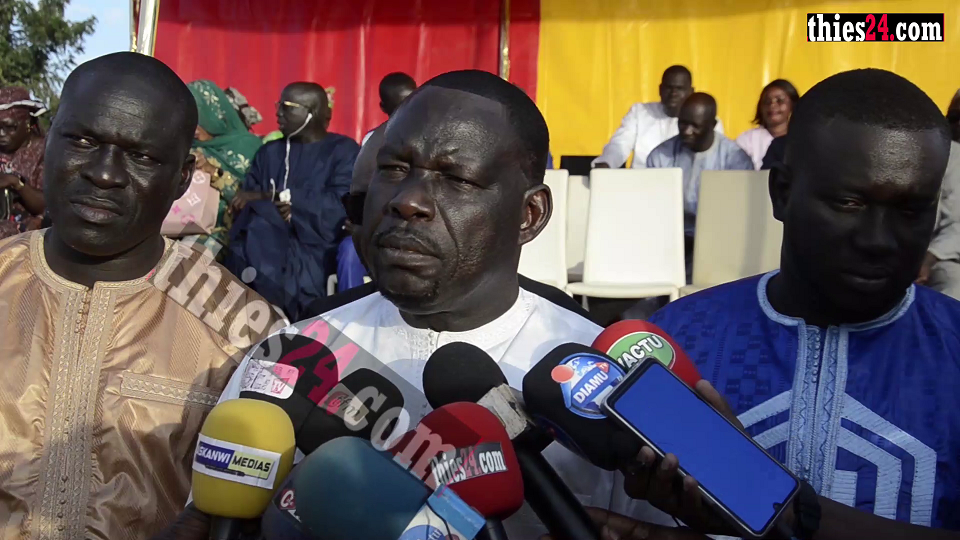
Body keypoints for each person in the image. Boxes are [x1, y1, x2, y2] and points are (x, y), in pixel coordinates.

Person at [167, 69, 671, 539]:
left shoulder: (597, 379)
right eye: (395, 167)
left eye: (456, 179)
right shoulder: (292, 357)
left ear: (529, 215)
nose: (407, 199)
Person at [645, 69, 960, 534]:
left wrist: (783, 511)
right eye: (850, 203)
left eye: (911, 211)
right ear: (782, 193)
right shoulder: (673, 344)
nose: (879, 240)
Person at [0, 52, 285, 539]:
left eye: (142, 157)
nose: (105, 174)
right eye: (84, 141)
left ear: (181, 177)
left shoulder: (246, 331)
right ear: (48, 146)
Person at [225, 82, 359, 321]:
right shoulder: (270, 153)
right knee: (255, 228)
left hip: (317, 245)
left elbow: (339, 205)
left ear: (312, 113)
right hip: (265, 245)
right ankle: (268, 312)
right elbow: (246, 202)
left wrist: (285, 202)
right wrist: (274, 210)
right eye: (279, 106)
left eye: (287, 107)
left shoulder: (342, 151)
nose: (277, 113)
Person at [646, 92, 753, 280]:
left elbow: (739, 219)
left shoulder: (735, 159)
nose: (687, 131)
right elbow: (651, 211)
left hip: (718, 249)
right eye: (682, 123)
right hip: (667, 245)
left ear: (712, 125)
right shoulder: (660, 155)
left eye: (695, 125)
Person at [183, 80, 263, 253]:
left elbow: (252, 198)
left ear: (215, 114)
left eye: (200, 117)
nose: (194, 126)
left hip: (227, 234)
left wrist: (213, 172)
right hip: (177, 227)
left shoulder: (250, 148)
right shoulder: (186, 146)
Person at [593, 66, 724, 169]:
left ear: (691, 91)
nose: (673, 93)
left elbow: (715, 158)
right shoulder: (639, 112)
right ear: (660, 89)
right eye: (669, 88)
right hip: (642, 186)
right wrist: (607, 163)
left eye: (679, 88)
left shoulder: (706, 119)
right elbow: (620, 144)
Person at [0, 86, 48, 239]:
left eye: (9, 127)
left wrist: (16, 183)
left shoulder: (46, 152)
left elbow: (47, 205)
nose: (1, 134)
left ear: (28, 123)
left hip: (27, 238)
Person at [918, 139, 960, 299]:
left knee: (956, 285)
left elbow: (956, 224)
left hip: (933, 252)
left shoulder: (953, 155)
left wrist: (928, 259)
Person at [736, 79, 800, 169]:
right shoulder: (747, 140)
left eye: (779, 101)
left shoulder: (802, 138)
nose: (772, 105)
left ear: (793, 105)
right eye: (767, 101)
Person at [362, 72, 417, 146]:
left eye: (412, 102)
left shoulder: (432, 135)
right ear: (384, 108)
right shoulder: (372, 140)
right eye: (399, 108)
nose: (407, 110)